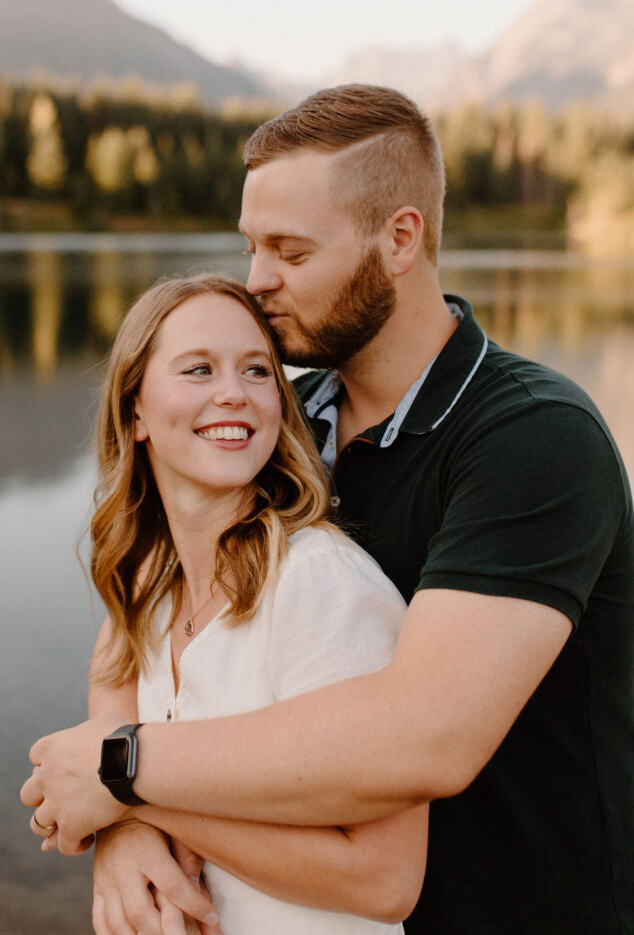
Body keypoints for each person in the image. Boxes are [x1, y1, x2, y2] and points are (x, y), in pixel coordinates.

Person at [22, 85, 634, 935]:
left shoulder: (531, 440)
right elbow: (142, 602)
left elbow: (424, 735)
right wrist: (129, 819)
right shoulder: (280, 427)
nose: (257, 280)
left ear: (399, 239)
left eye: (289, 250)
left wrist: (122, 769)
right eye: (250, 246)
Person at [24, 272, 428, 934]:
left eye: (257, 371)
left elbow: (383, 881)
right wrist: (122, 829)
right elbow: (111, 688)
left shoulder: (319, 585)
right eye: (198, 369)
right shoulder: (150, 586)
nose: (233, 395)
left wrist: (124, 797)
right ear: (137, 411)